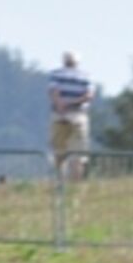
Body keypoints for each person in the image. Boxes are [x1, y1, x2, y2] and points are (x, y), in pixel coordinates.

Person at [47, 52, 97, 180]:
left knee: (58, 152)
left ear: (64, 61)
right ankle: (75, 183)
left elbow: (53, 92)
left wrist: (60, 105)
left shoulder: (56, 74)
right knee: (78, 155)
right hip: (78, 116)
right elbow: (89, 96)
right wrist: (72, 103)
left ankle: (59, 183)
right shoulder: (86, 76)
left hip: (58, 115)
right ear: (77, 62)